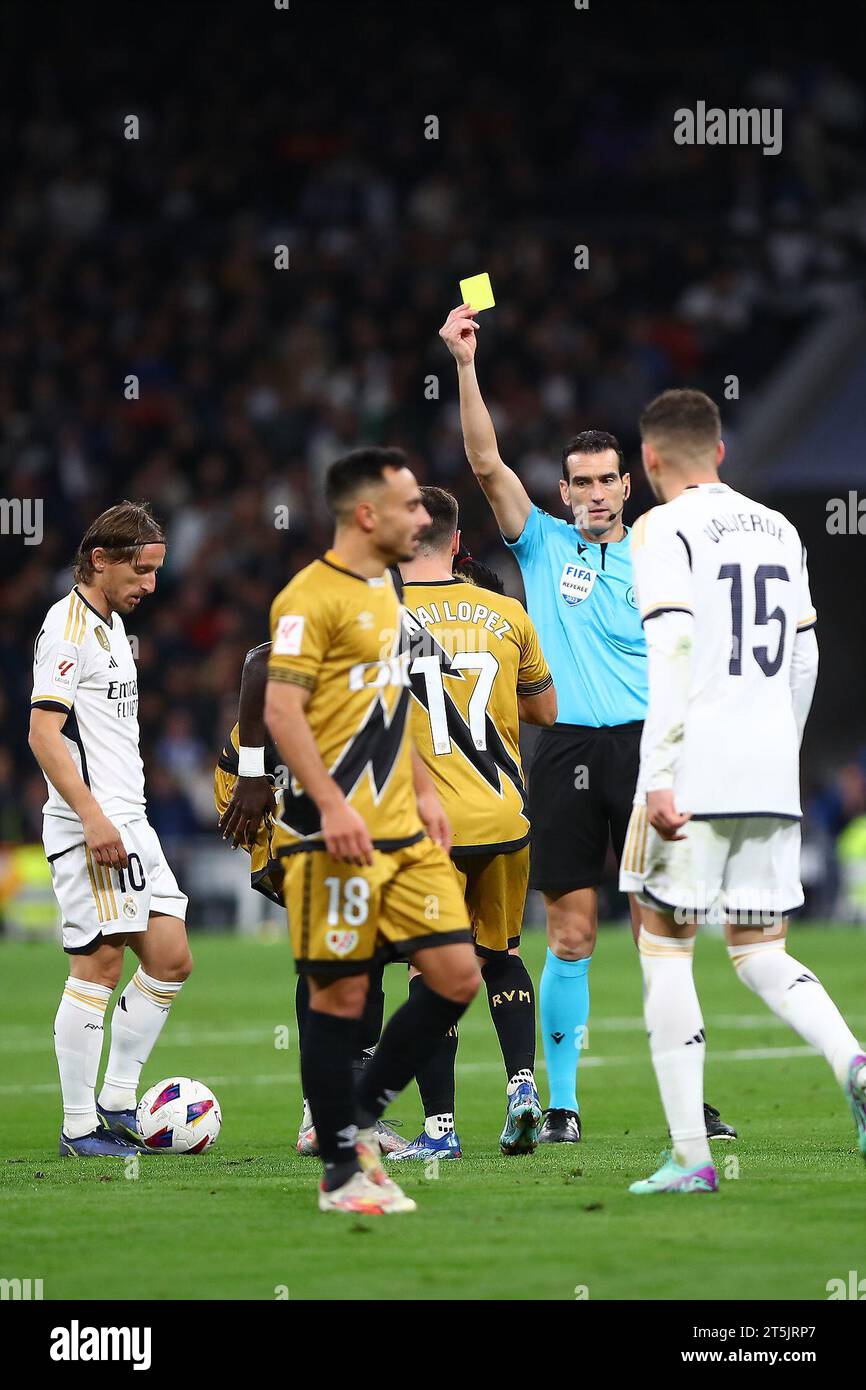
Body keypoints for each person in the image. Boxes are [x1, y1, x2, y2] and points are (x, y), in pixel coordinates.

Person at [439, 303, 736, 1144]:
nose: (598, 492)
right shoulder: (540, 544)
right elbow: (484, 458)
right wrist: (465, 364)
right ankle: (561, 1106)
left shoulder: (662, 544)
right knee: (570, 933)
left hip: (649, 750)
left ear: (627, 483)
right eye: (584, 482)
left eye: (610, 479)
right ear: (564, 491)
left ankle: (690, 1104)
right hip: (566, 747)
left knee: (661, 929)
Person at [621, 388, 866, 1194]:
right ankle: (855, 1063)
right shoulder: (781, 527)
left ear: (650, 460)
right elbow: (806, 660)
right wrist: (776, 749)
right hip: (769, 771)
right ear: (720, 451)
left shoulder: (659, 529)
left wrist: (658, 775)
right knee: (761, 949)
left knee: (664, 947)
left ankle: (692, 1156)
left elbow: (674, 650)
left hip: (691, 775)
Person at [264, 446, 481, 1215]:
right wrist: (330, 806)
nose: (424, 520)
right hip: (334, 837)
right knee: (342, 995)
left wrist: (424, 792)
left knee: (458, 975)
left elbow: (399, 706)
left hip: (402, 833)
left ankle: (356, 1115)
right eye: (411, 506)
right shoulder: (306, 599)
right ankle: (340, 1171)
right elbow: (281, 712)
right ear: (367, 515)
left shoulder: (389, 590)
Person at [389, 486, 556, 1161]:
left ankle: (440, 1131)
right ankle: (521, 1089)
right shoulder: (507, 611)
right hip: (505, 815)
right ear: (458, 543)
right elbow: (544, 709)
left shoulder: (382, 617)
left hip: (429, 824)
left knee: (429, 975)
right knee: (504, 955)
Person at [28, 501, 192, 1157]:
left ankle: (118, 1100)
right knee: (99, 962)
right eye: (143, 571)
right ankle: (78, 1127)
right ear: (101, 559)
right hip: (92, 824)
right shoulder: (67, 628)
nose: (150, 586)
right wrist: (93, 817)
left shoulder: (114, 629)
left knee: (171, 957)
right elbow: (43, 735)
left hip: (132, 820)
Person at [214, 643, 406, 1156]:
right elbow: (257, 663)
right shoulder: (343, 621)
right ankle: (327, 1115)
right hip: (262, 789)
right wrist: (254, 774)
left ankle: (335, 1110)